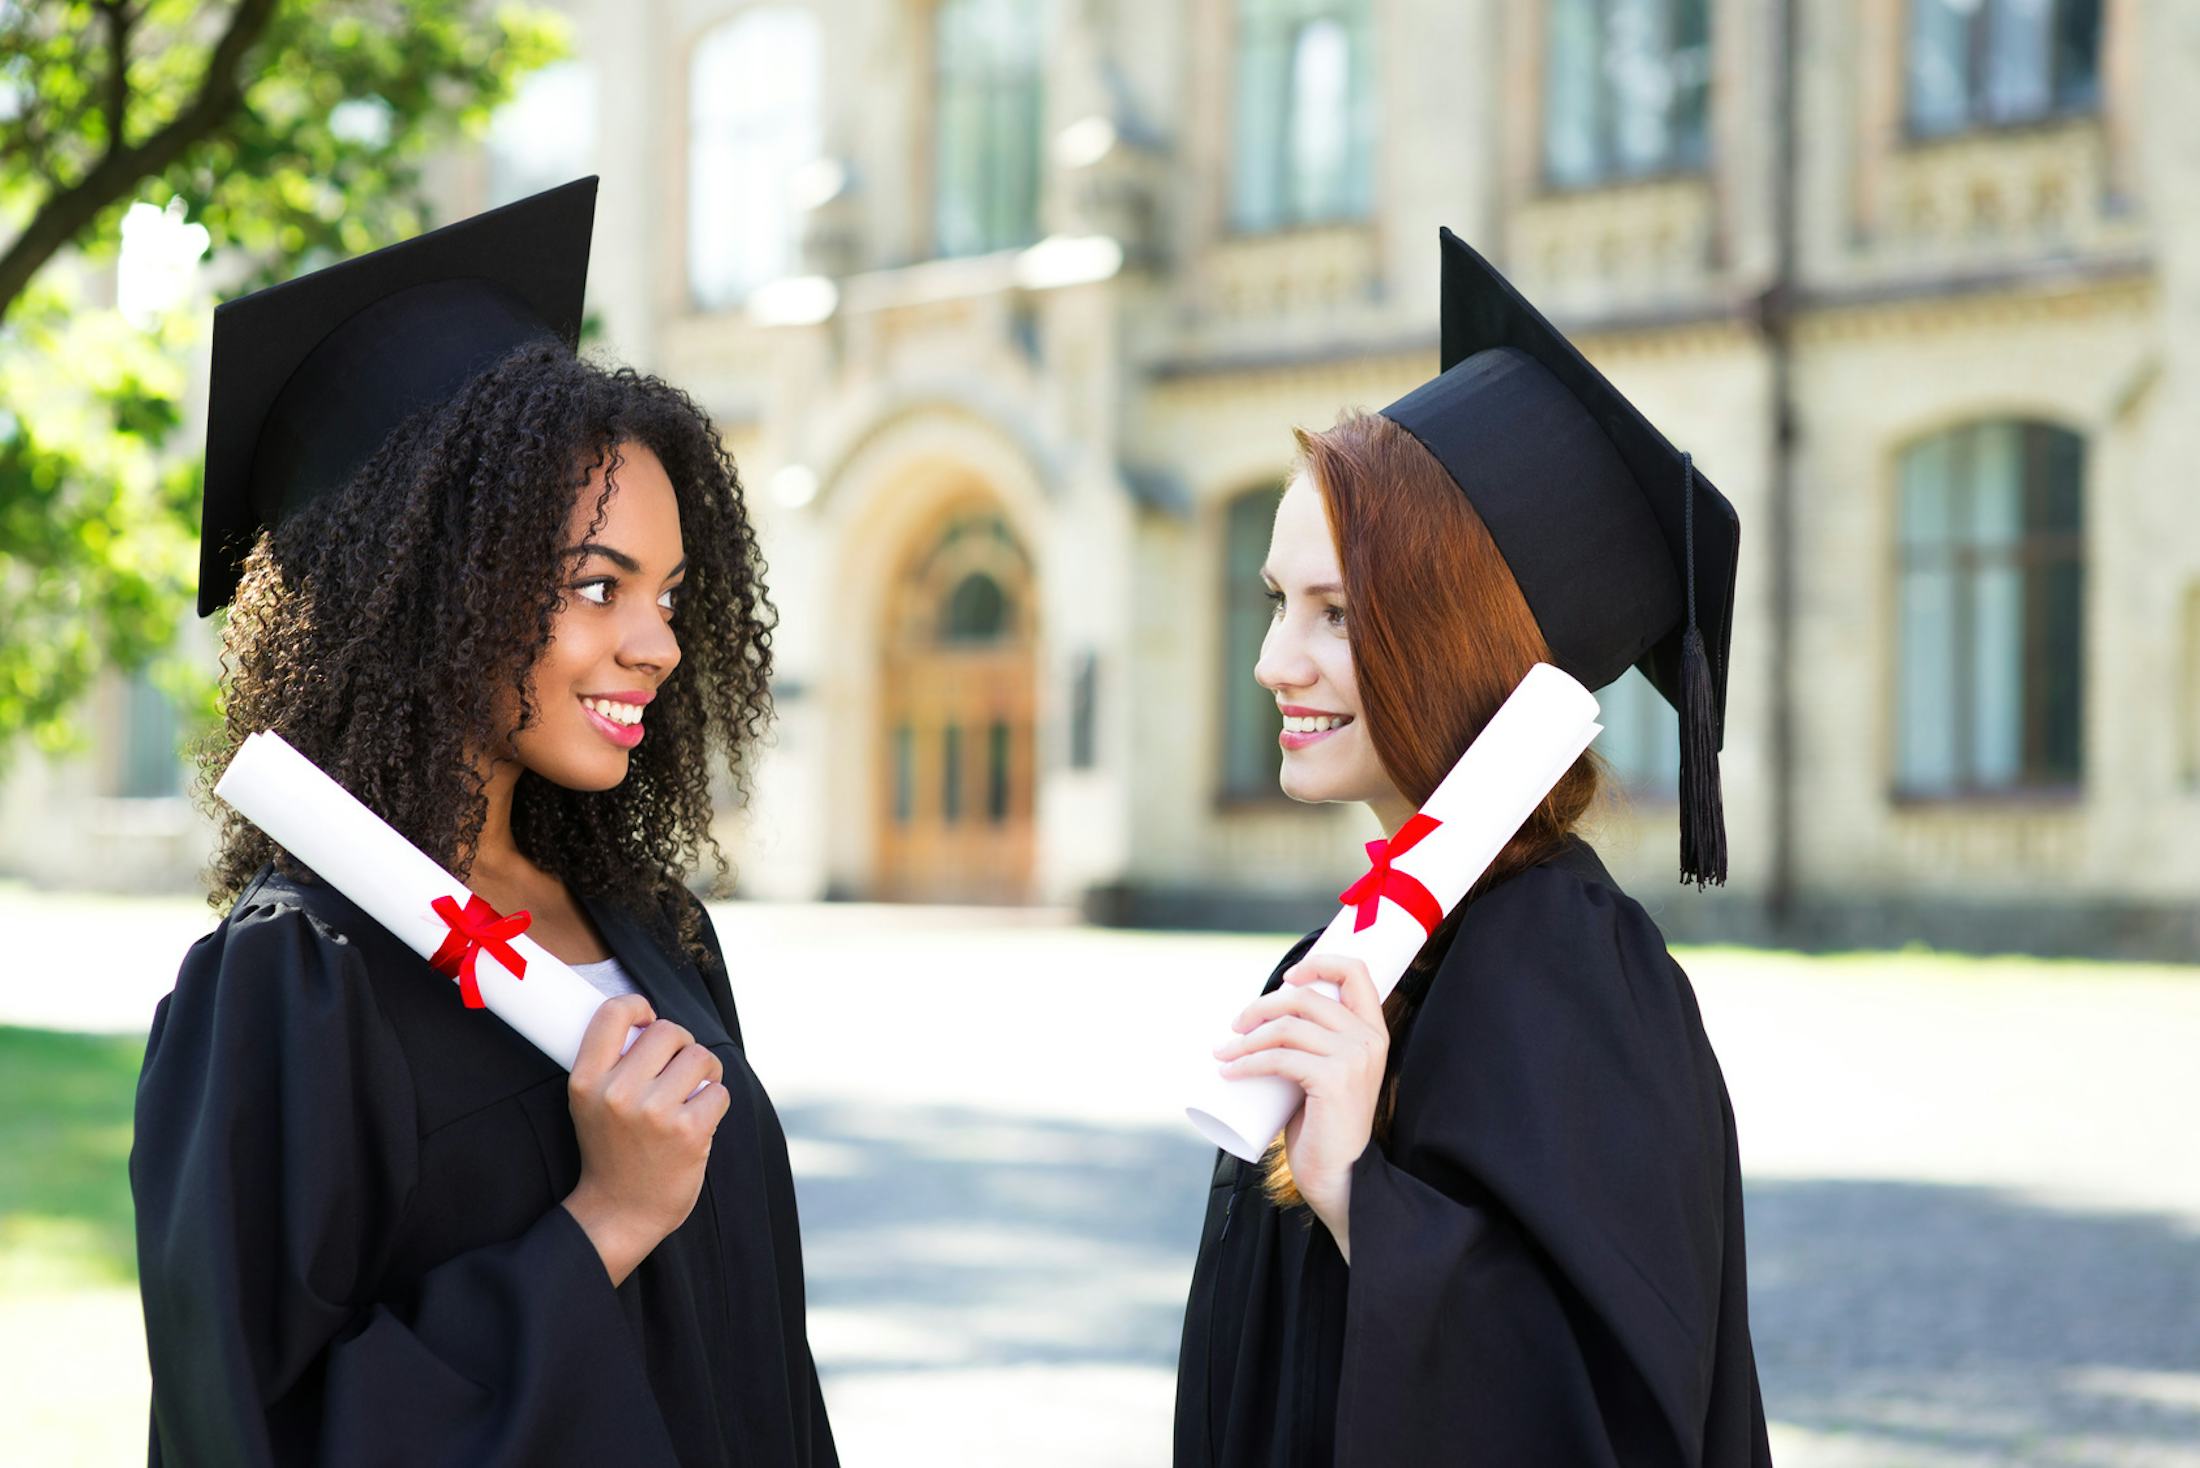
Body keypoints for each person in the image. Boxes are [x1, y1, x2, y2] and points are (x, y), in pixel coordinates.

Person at [131, 179, 836, 1467]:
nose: (659, 644)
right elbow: (261, 1434)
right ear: (427, 587)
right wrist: (604, 1221)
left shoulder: (655, 930)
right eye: (597, 586)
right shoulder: (292, 988)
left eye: (670, 593)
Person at [1174, 230, 1773, 1466]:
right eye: (1277, 602)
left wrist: (1358, 1196)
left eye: (1337, 615)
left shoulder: (1568, 967)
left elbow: (1610, 1415)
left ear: (1457, 645)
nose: (1274, 662)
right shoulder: (1374, 943)